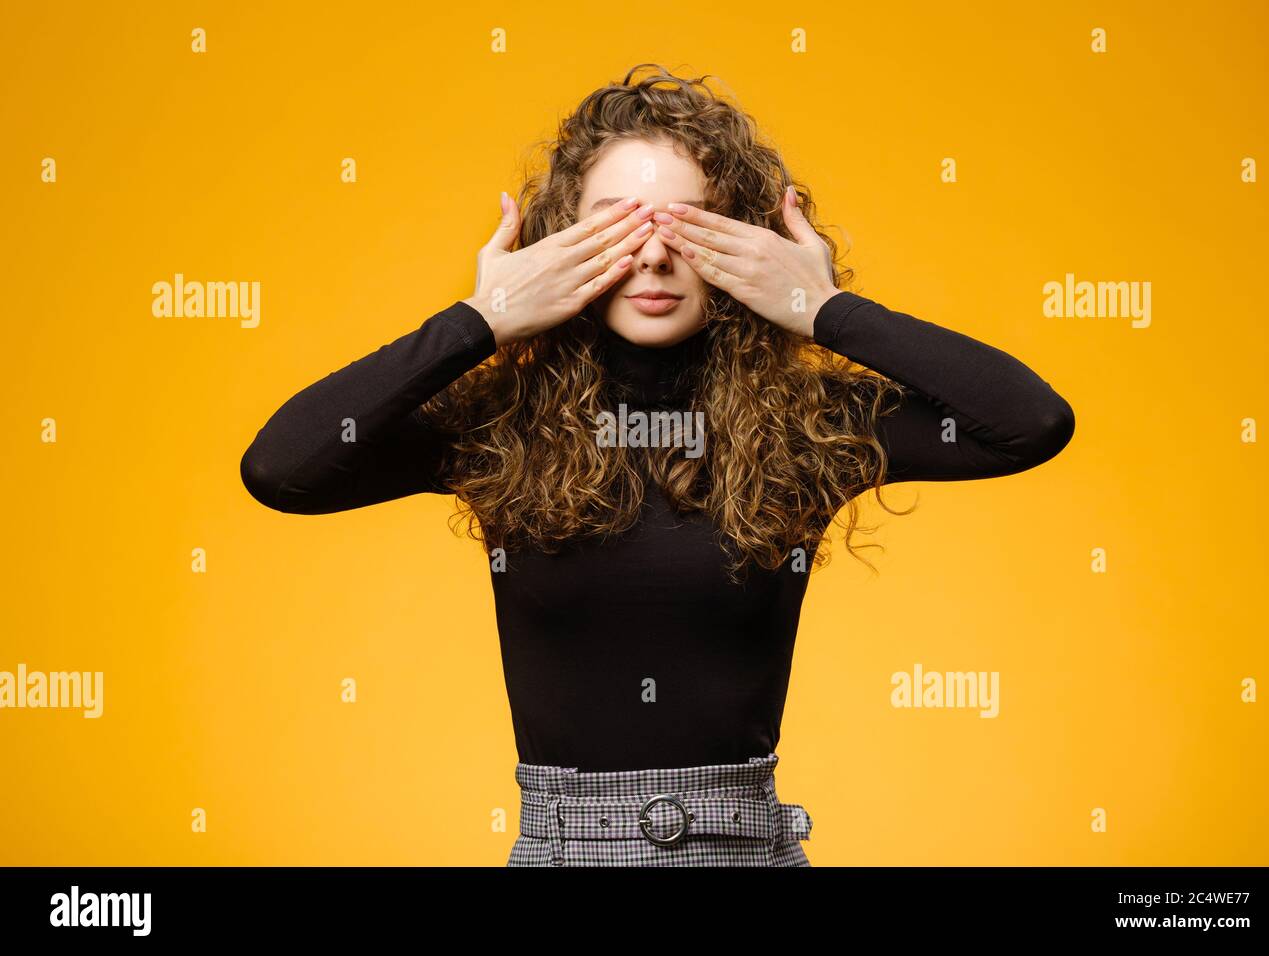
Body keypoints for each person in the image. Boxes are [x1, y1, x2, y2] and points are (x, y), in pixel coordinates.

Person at [239, 64, 1075, 866]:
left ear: (745, 240)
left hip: (746, 852)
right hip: (563, 852)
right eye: (616, 223)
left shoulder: (806, 427)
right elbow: (282, 469)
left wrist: (823, 309)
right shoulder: (499, 422)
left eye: (689, 224)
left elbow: (1029, 422)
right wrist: (480, 318)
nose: (651, 255)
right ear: (559, 241)